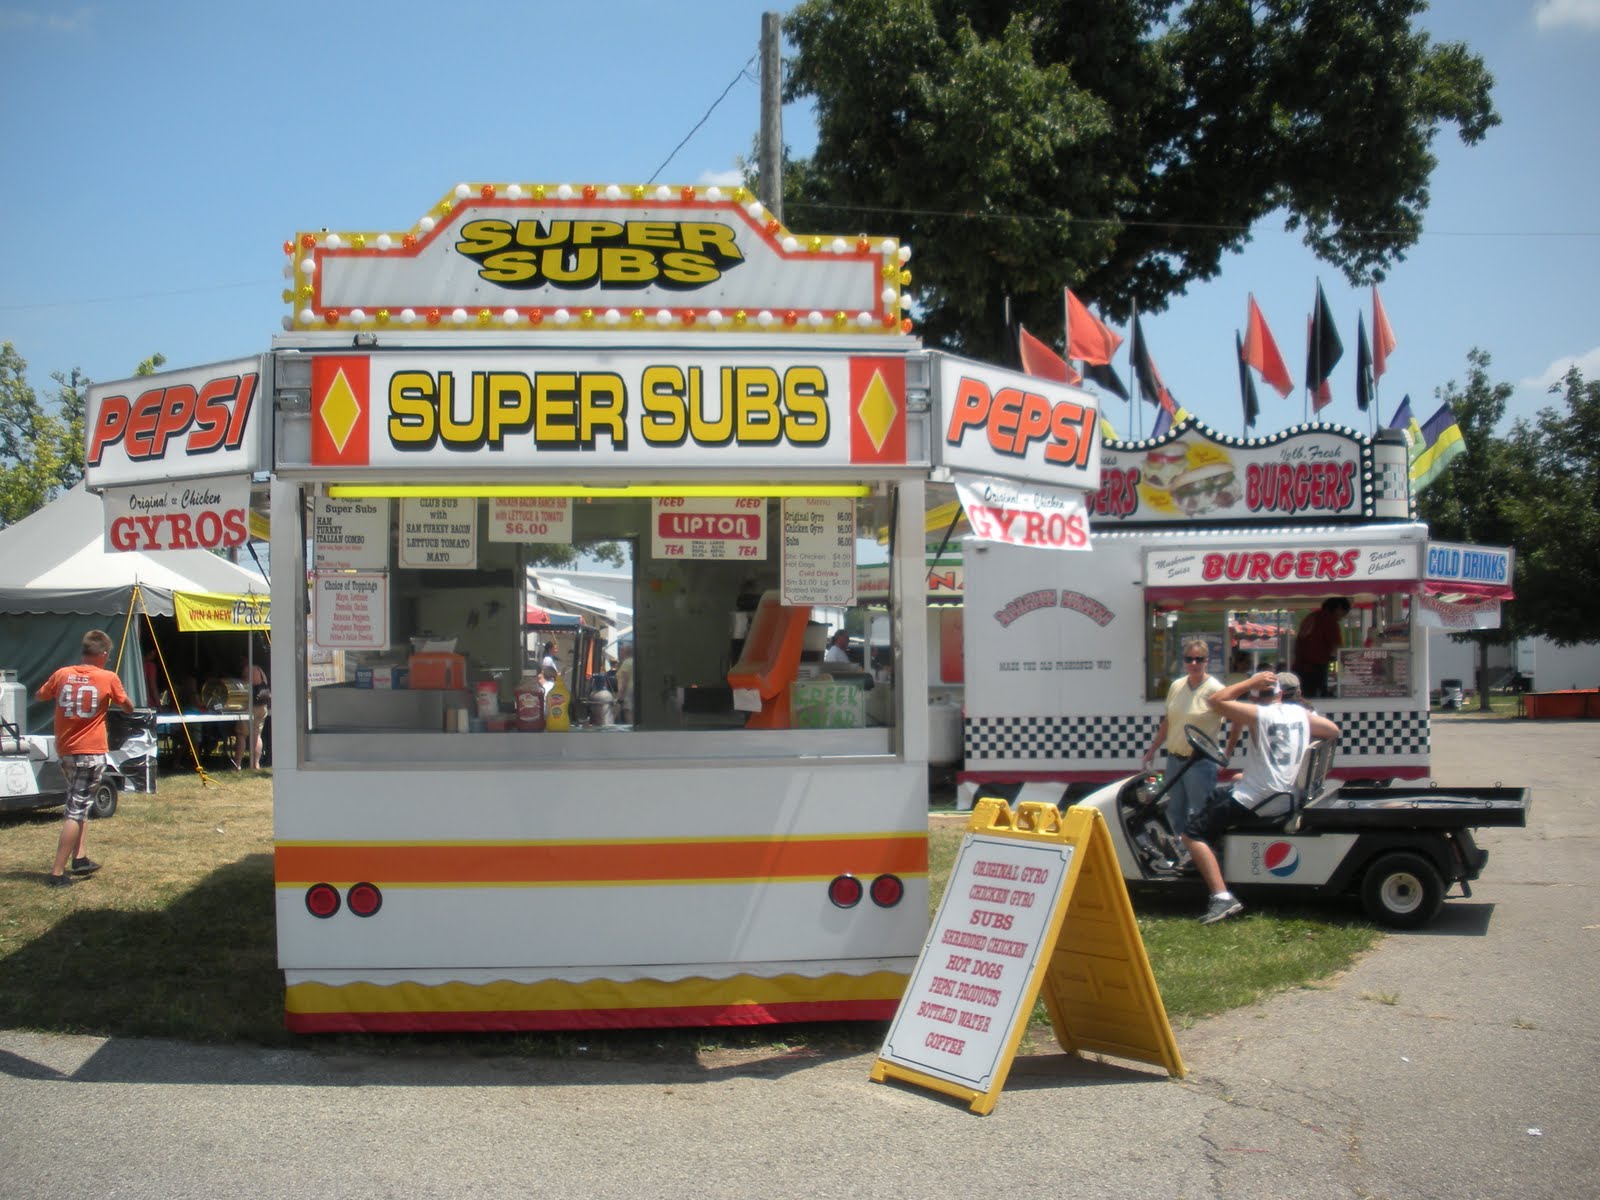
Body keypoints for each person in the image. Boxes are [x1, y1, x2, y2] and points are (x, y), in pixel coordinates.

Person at [1182, 670, 1340, 925]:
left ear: (1254, 696)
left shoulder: (1258, 714)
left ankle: (1222, 897)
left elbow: (1215, 700)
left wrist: (1248, 683)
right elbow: (1332, 730)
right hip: (1283, 792)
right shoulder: (1299, 714)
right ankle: (1211, 858)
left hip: (1260, 797)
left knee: (1192, 833)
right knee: (1215, 795)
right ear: (1279, 693)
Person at [35, 629, 134, 887]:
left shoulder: (62, 674)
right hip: (90, 752)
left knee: (79, 801)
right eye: (108, 655)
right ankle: (57, 873)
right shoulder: (107, 677)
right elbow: (127, 706)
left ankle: (80, 857)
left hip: (66, 750)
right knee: (75, 811)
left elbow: (40, 695)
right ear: (102, 654)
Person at [1140, 640, 1234, 859]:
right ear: (1184, 662)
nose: (1194, 663)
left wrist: (1226, 753)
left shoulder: (1216, 690)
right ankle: (1181, 853)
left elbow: (1237, 719)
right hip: (1175, 758)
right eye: (1189, 659)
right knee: (1174, 810)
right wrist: (1152, 750)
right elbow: (1168, 721)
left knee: (1201, 811)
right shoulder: (1177, 686)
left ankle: (1207, 856)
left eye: (1199, 659)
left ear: (1207, 661)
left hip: (1199, 762)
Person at [1293, 597, 1351, 698]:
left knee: (1305, 696)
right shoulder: (1328, 620)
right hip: (1315, 666)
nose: (1343, 617)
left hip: (1300, 665)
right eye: (1344, 612)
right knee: (1318, 698)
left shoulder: (1311, 617)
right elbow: (1337, 647)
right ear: (1338, 608)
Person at [233, 653, 268, 770]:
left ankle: (237, 764)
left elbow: (242, 686)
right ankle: (255, 764)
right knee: (257, 735)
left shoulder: (247, 670)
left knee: (241, 734)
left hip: (249, 706)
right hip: (262, 706)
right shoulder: (260, 670)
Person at [614, 642, 635, 724]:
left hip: (627, 691)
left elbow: (625, 681)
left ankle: (630, 732)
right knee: (631, 711)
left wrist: (620, 695)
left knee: (627, 711)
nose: (620, 652)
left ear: (624, 651)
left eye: (621, 650)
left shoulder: (626, 663)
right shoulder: (633, 661)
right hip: (633, 690)